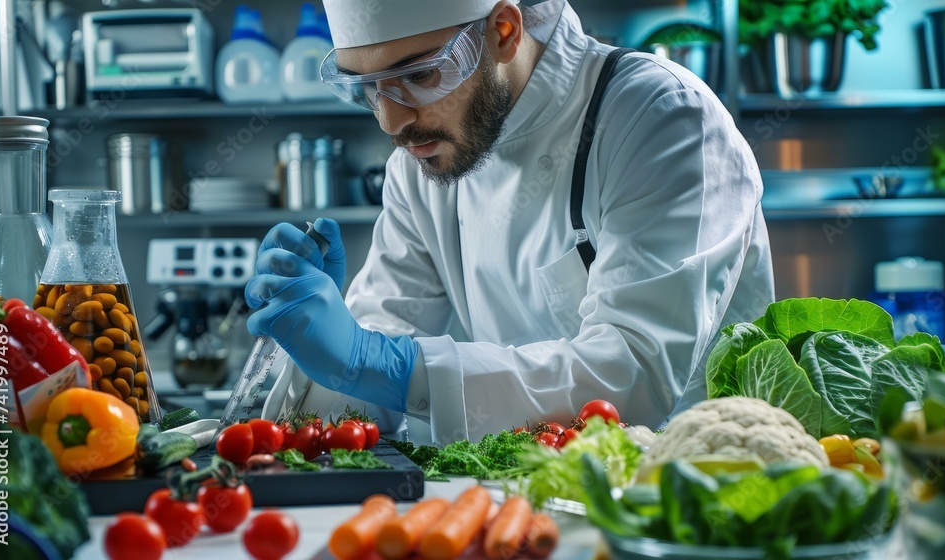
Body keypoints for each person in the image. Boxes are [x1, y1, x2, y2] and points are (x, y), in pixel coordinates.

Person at [246, 0, 775, 444]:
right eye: (366, 86)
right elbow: (364, 385)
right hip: (513, 502)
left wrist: (385, 364)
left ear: (503, 32)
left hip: (687, 501)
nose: (392, 121)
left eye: (418, 75)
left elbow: (628, 380)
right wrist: (321, 347)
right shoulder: (421, 168)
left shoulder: (659, 117)